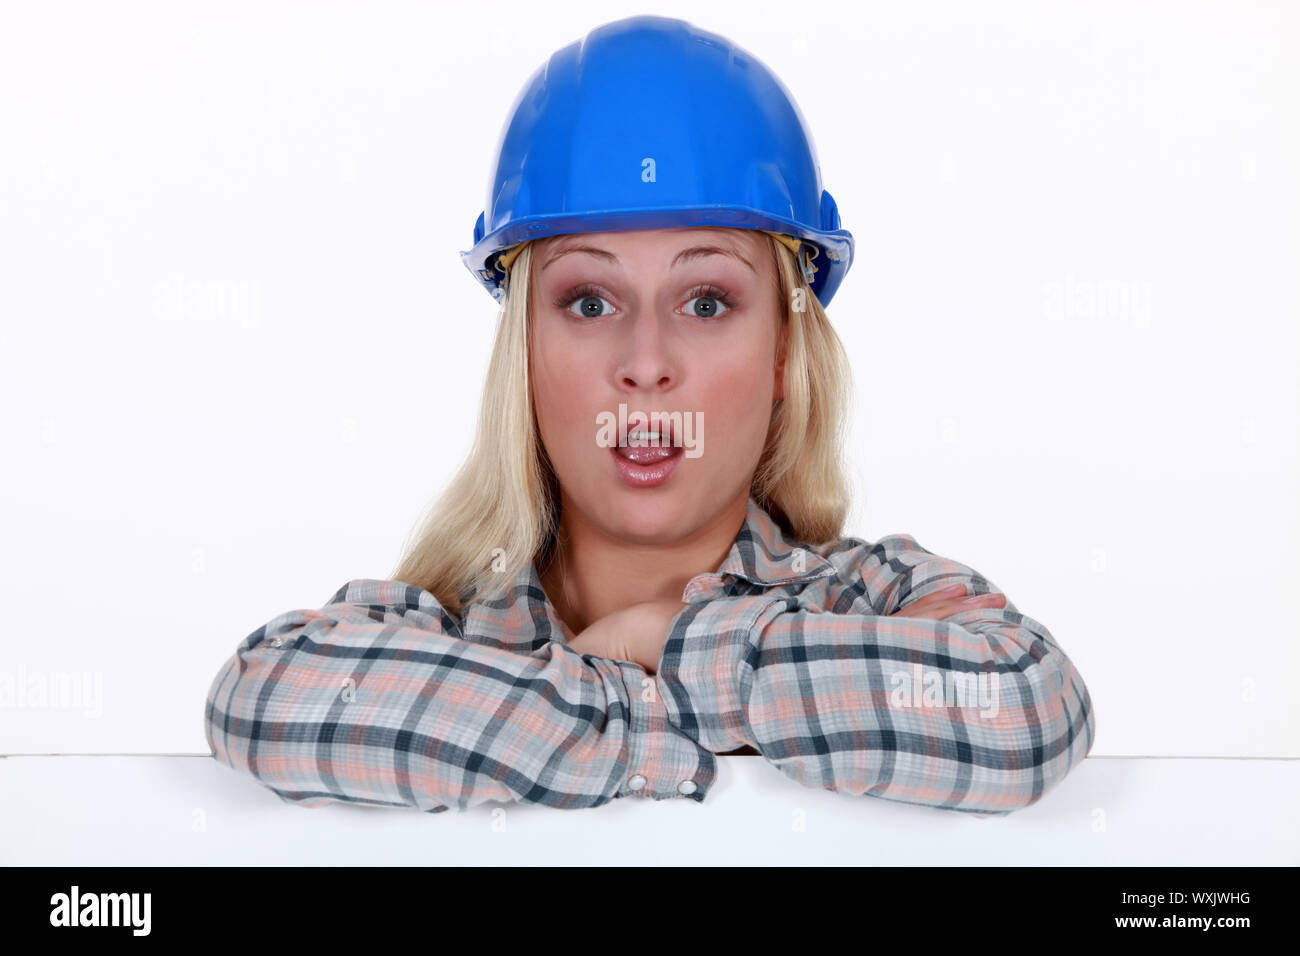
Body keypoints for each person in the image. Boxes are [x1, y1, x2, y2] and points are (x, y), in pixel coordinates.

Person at [204, 15, 1095, 815]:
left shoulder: (875, 602)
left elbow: (1030, 706)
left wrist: (678, 645)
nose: (644, 366)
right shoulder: (446, 627)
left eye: (705, 302)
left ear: (784, 353)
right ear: (524, 354)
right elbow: (262, 694)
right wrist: (630, 707)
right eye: (590, 303)